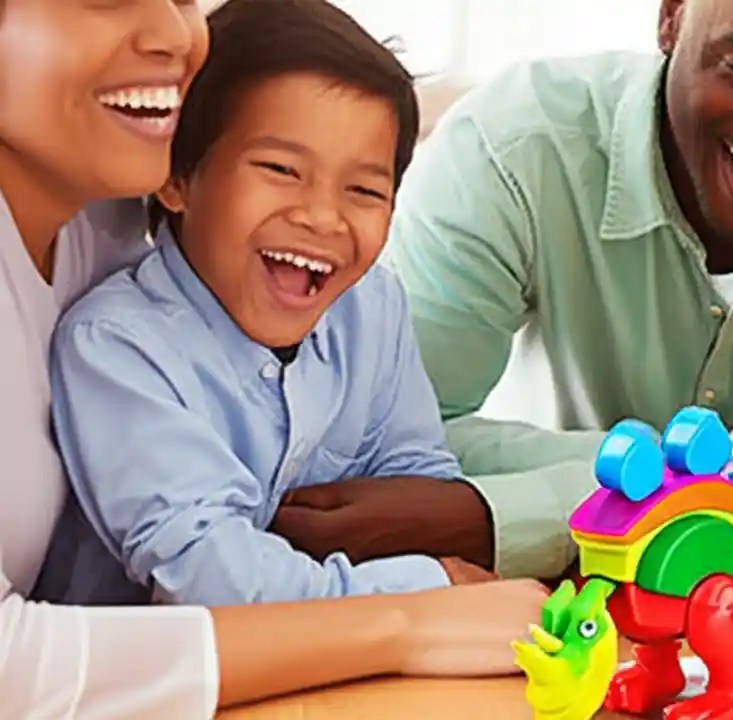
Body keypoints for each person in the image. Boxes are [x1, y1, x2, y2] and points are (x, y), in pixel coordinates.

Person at [0, 0, 542, 716]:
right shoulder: (117, 342)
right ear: (178, 180)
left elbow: (414, 489)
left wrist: (440, 571)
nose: (322, 216)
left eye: (365, 190)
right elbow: (205, 574)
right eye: (281, 168)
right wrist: (426, 593)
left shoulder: (368, 309)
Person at [268, 0, 733, 582]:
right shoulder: (517, 147)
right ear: (671, 19)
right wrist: (656, 474)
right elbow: (401, 430)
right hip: (535, 595)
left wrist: (494, 516)